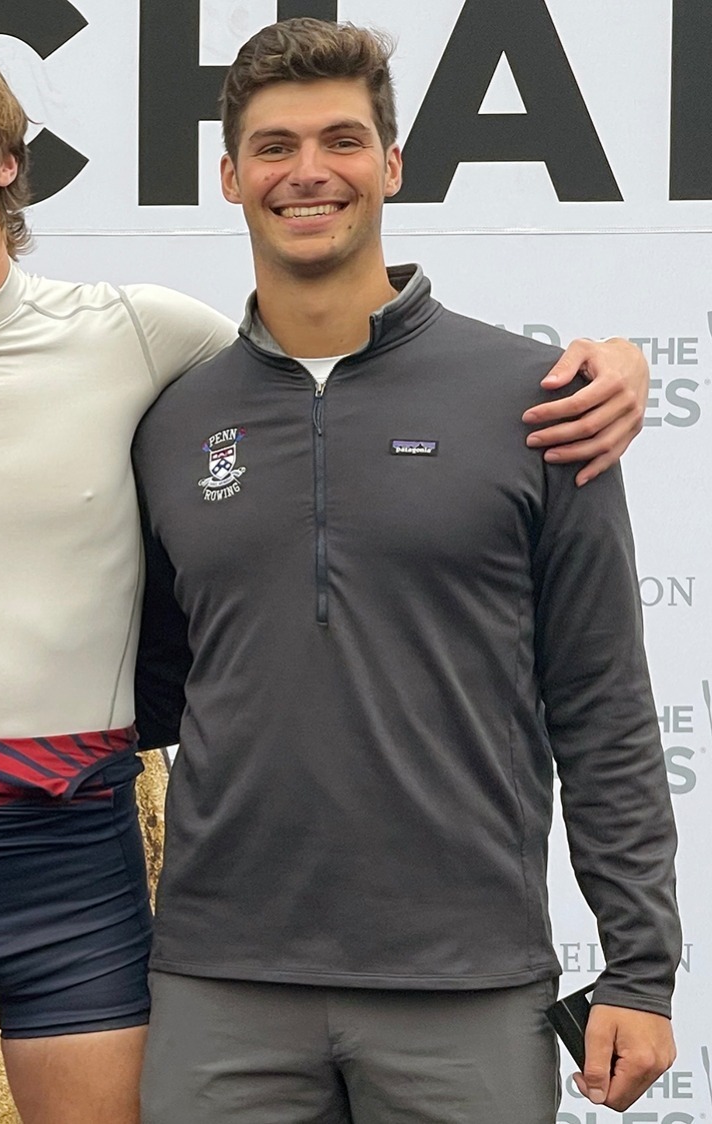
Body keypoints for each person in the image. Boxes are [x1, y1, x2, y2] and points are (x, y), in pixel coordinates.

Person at [0, 27, 654, 1124]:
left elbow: (337, 370)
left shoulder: (145, 335)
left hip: (75, 838)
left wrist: (607, 363)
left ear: (7, 159)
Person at [131, 19, 680, 1122]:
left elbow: (601, 701)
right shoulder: (171, 416)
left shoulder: (539, 398)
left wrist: (637, 967)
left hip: (465, 980)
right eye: (274, 146)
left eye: (340, 140)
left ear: (390, 164)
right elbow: (137, 688)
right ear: (229, 175)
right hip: (216, 976)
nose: (307, 172)